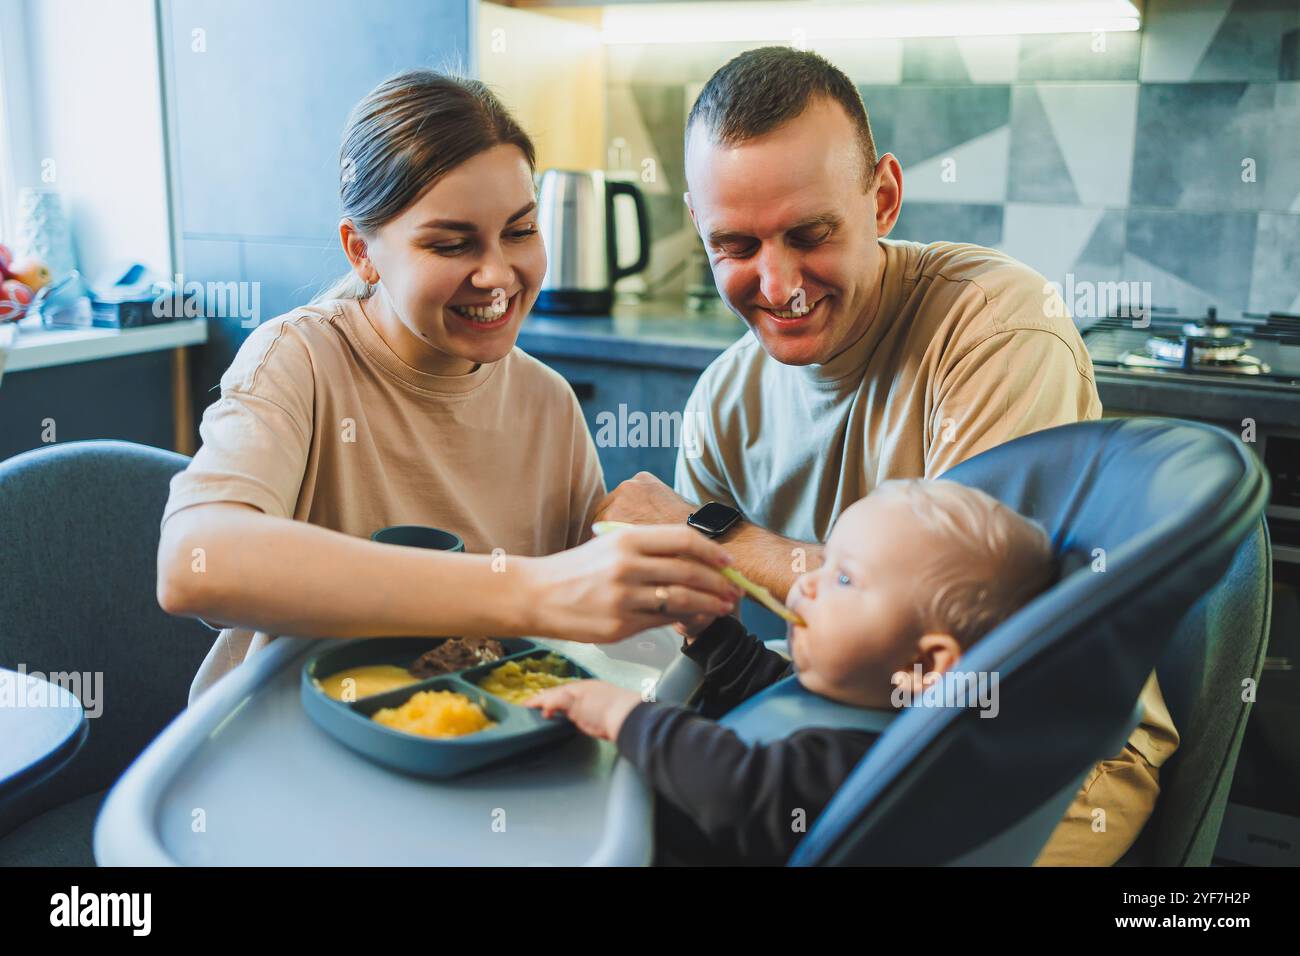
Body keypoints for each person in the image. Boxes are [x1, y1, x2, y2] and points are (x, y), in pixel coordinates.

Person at [595, 46, 1178, 866]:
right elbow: (714, 630)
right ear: (698, 226)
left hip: (1042, 764)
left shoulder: (996, 327)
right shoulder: (723, 398)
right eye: (735, 245)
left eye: (810, 233)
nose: (779, 283)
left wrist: (711, 533)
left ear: (885, 198)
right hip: (850, 736)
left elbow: (985, 657)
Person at [156, 70, 741, 706]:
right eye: (451, 244)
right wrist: (529, 589)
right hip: (282, 745)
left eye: (520, 231)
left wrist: (653, 592)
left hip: (473, 747)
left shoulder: (548, 403)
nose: (496, 274)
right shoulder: (298, 362)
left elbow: (578, 635)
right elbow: (194, 563)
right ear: (362, 251)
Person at [530, 480, 1055, 864]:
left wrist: (625, 717)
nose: (805, 585)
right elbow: (775, 692)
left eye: (844, 578)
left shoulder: (876, 761)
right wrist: (712, 636)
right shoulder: (864, 695)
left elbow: (736, 788)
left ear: (924, 664)